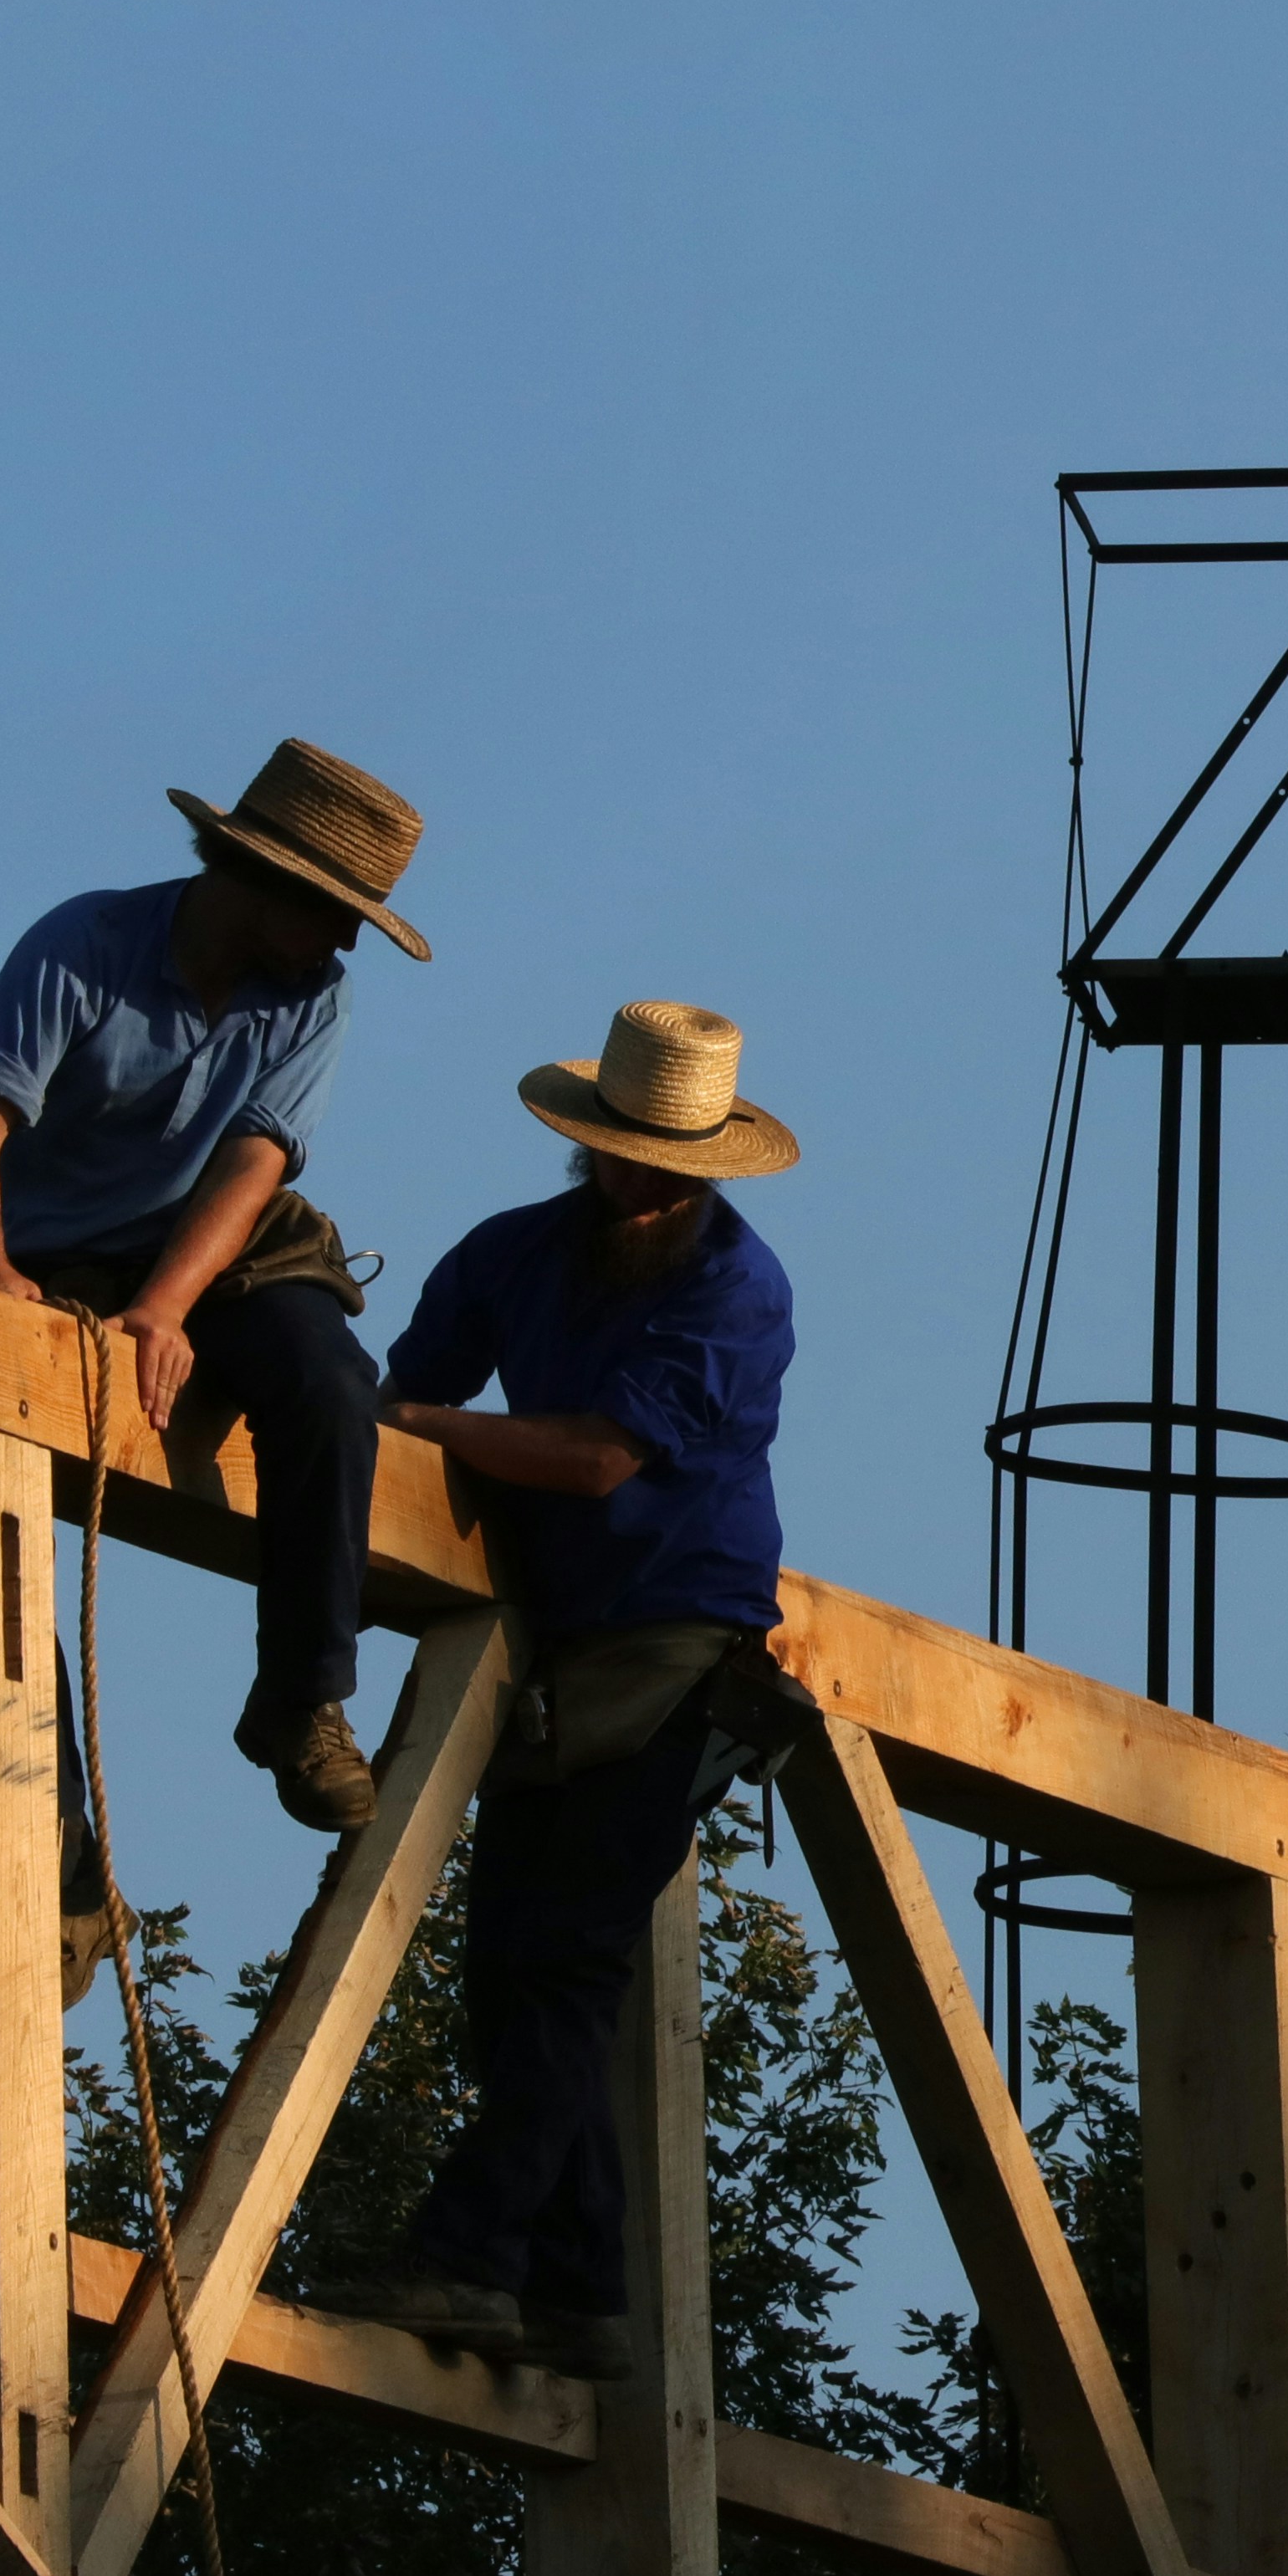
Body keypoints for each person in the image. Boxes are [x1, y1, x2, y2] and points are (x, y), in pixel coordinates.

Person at [328, 999, 805, 2386]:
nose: (641, 1182)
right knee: (514, 1984)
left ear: (704, 1168)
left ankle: (465, 2253)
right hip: (557, 1652)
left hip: (679, 1648)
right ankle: (583, 2285)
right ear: (590, 1147)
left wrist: (405, 1425)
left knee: (565, 1965)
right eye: (623, 1155)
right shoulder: (509, 1253)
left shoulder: (738, 1286)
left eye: (667, 1164)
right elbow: (398, 1405)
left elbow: (594, 1458)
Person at [0, 740, 433, 1834]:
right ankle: (52, 1842)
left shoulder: (316, 996)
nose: (349, 936)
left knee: (330, 1383)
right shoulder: (87, 941)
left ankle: (302, 1699)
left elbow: (254, 1161)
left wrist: (164, 1306)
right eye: (336, 907)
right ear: (260, 878)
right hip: (66, 1253)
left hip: (226, 1246)